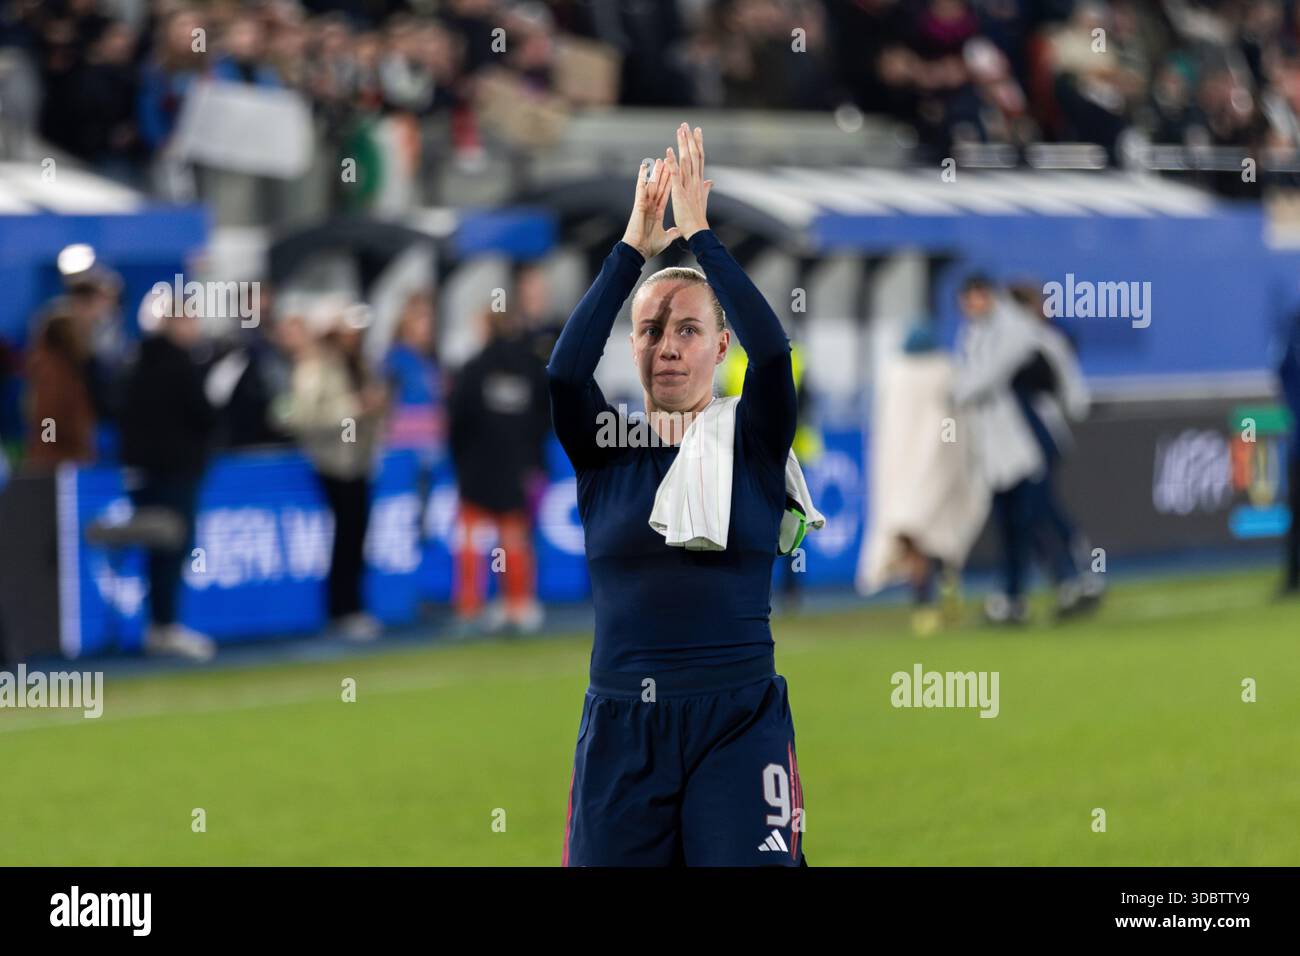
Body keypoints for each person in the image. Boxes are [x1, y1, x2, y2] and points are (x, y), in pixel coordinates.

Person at [549, 125, 809, 866]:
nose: (667, 344)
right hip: (623, 727)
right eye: (651, 329)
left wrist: (699, 235)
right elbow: (565, 374)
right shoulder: (606, 449)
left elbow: (776, 351)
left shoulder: (755, 442)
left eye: (689, 330)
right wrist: (632, 248)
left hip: (738, 720)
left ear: (719, 349)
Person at [953, 274, 1091, 624]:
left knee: (1039, 517)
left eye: (978, 297)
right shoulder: (973, 335)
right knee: (1012, 525)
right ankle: (1017, 595)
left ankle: (1074, 579)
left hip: (1027, 443)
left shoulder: (1016, 331)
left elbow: (979, 382)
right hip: (995, 450)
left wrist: (966, 388)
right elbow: (967, 384)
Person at [274, 305, 387, 642]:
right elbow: (303, 418)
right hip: (333, 463)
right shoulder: (316, 366)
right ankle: (341, 610)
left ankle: (354, 607)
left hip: (360, 461)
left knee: (357, 536)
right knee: (345, 536)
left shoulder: (361, 365)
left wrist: (375, 410)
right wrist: (352, 408)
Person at [119, 297, 218, 662]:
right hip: (174, 472)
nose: (193, 326)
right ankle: (165, 625)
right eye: (187, 319)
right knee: (172, 546)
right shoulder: (178, 365)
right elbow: (204, 416)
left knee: (159, 548)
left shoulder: (135, 360)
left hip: (145, 473)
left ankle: (160, 624)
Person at [447, 305, 549, 633]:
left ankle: (469, 607)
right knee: (514, 541)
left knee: (470, 542)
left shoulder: (474, 369)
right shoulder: (530, 368)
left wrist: (462, 460)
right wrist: (531, 460)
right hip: (515, 470)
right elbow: (543, 419)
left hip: (476, 470)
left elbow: (457, 421)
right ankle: (518, 605)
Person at [22, 298, 97, 472]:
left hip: (63, 457)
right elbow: (48, 413)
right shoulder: (52, 368)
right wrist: (51, 448)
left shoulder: (67, 366)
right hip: (58, 461)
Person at [1278, 306, 1300, 595]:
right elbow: (1281, 371)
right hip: (1298, 451)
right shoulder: (1291, 355)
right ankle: (1293, 577)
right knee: (1295, 516)